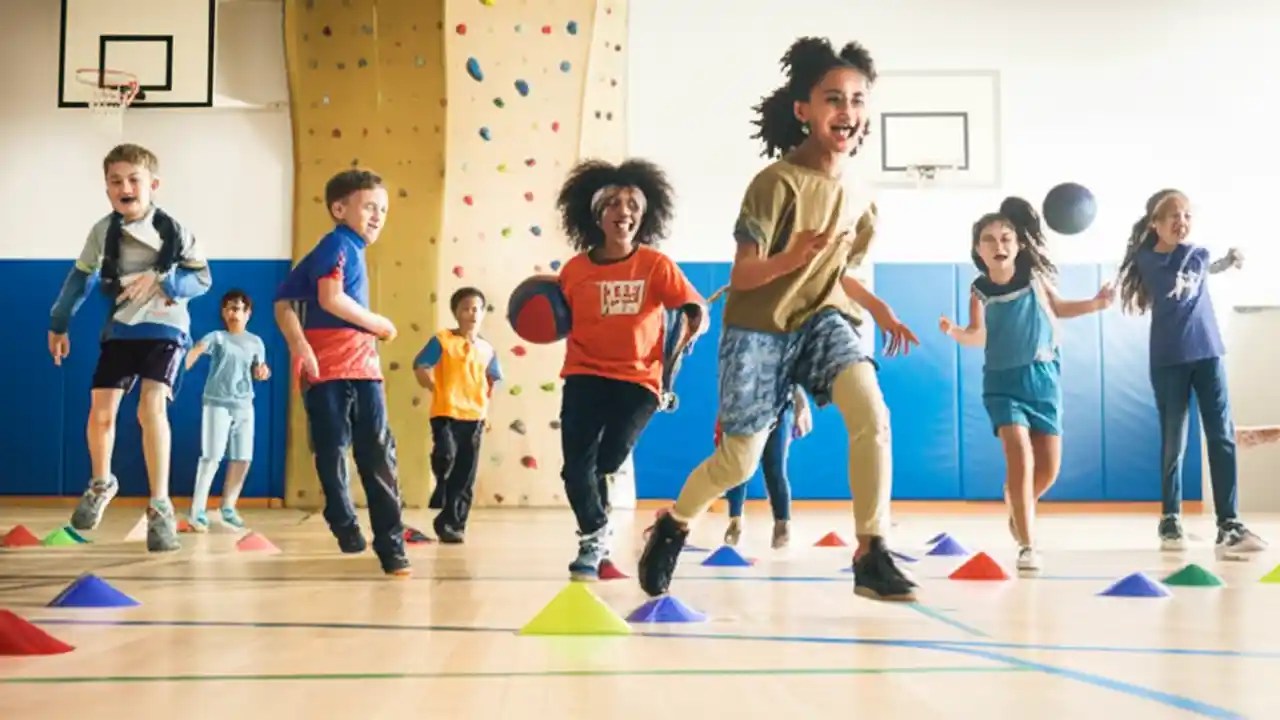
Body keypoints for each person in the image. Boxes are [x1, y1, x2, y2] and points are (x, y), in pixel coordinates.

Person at [637, 37, 920, 602]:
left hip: (822, 320)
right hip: (758, 331)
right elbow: (743, 275)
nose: (847, 110)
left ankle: (871, 551)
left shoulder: (861, 195)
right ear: (803, 109)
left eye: (857, 100)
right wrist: (793, 257)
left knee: (871, 411)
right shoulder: (775, 183)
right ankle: (673, 524)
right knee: (738, 462)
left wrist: (880, 309)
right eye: (833, 98)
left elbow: (843, 273)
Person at [48, 143, 212, 552]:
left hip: (166, 329)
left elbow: (202, 279)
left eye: (134, 179)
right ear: (106, 188)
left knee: (150, 408)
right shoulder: (102, 231)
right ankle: (102, 482)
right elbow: (80, 278)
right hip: (122, 330)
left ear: (153, 185)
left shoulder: (173, 230)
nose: (125, 187)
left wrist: (163, 280)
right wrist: (59, 323)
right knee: (101, 413)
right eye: (115, 181)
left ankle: (160, 506)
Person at [553, 157, 708, 581]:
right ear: (596, 215)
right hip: (584, 374)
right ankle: (593, 537)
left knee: (609, 459)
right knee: (575, 467)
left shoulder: (655, 265)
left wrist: (695, 319)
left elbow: (693, 305)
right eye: (613, 204)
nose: (624, 211)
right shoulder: (574, 271)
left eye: (633, 205)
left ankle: (599, 524)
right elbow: (551, 317)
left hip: (638, 381)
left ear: (644, 215)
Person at [939, 198, 1113, 572]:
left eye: (1006, 237)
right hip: (1002, 382)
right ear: (978, 250)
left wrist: (1096, 304)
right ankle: (1028, 546)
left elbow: (1060, 308)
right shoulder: (979, 290)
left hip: (1043, 379)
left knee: (1047, 470)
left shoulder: (1035, 279)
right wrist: (955, 332)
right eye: (989, 239)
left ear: (1018, 244)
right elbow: (977, 335)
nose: (998, 245)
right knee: (1018, 452)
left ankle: (1018, 502)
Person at [273, 168, 410, 576]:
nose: (378, 216)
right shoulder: (334, 244)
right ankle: (343, 518)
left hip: (363, 366)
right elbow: (329, 299)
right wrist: (377, 323)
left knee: (376, 453)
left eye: (383, 209)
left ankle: (392, 547)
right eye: (369, 207)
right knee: (333, 448)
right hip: (329, 369)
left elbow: (283, 301)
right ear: (339, 209)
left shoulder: (349, 249)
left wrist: (300, 341)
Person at [1116, 188, 1266, 558]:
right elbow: (1182, 272)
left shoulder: (1196, 255)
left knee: (1222, 435)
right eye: (1173, 216)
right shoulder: (1149, 259)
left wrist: (1227, 261)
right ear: (1155, 224)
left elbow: (1202, 269)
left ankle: (1229, 524)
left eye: (1186, 215)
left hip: (1208, 353)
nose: (1182, 221)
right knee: (1174, 441)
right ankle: (1170, 517)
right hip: (1169, 359)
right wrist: (1211, 256)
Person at [413, 286, 503, 543]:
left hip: (474, 416)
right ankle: (442, 485)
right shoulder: (443, 340)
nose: (472, 314)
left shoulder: (487, 349)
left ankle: (452, 524)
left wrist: (486, 407)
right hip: (446, 411)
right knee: (446, 455)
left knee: (465, 474)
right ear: (456, 313)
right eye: (466, 309)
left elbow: (494, 379)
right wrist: (433, 386)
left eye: (477, 309)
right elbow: (420, 365)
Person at [184, 289, 270, 532]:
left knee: (243, 458)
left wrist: (262, 372)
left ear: (248, 313)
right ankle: (197, 511)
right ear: (223, 313)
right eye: (230, 308)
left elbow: (260, 369)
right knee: (211, 456)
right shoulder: (217, 337)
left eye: (239, 308)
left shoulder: (256, 342)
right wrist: (177, 371)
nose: (234, 313)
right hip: (216, 404)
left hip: (244, 406)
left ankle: (228, 506)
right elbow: (197, 350)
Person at [719, 384, 811, 549]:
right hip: (743, 411)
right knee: (739, 466)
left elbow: (794, 375)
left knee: (775, 468)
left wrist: (801, 405)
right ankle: (735, 520)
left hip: (779, 411)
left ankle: (782, 524)